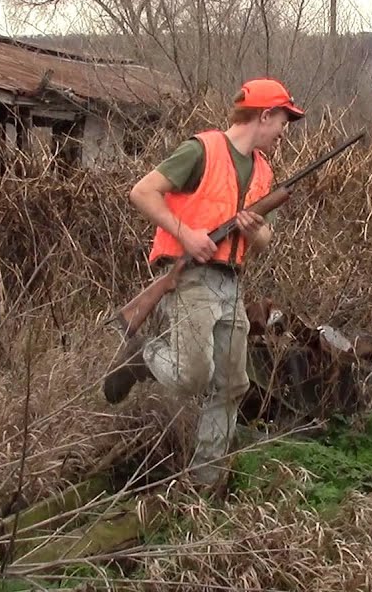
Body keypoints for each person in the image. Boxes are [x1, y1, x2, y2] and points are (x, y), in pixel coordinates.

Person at [102, 78, 304, 492]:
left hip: (232, 284)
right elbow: (142, 192)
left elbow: (265, 240)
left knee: (232, 385)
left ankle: (205, 483)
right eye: (284, 119)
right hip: (191, 276)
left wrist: (251, 229)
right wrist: (187, 233)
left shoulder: (264, 171)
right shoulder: (202, 149)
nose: (286, 129)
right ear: (264, 115)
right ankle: (143, 356)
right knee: (193, 375)